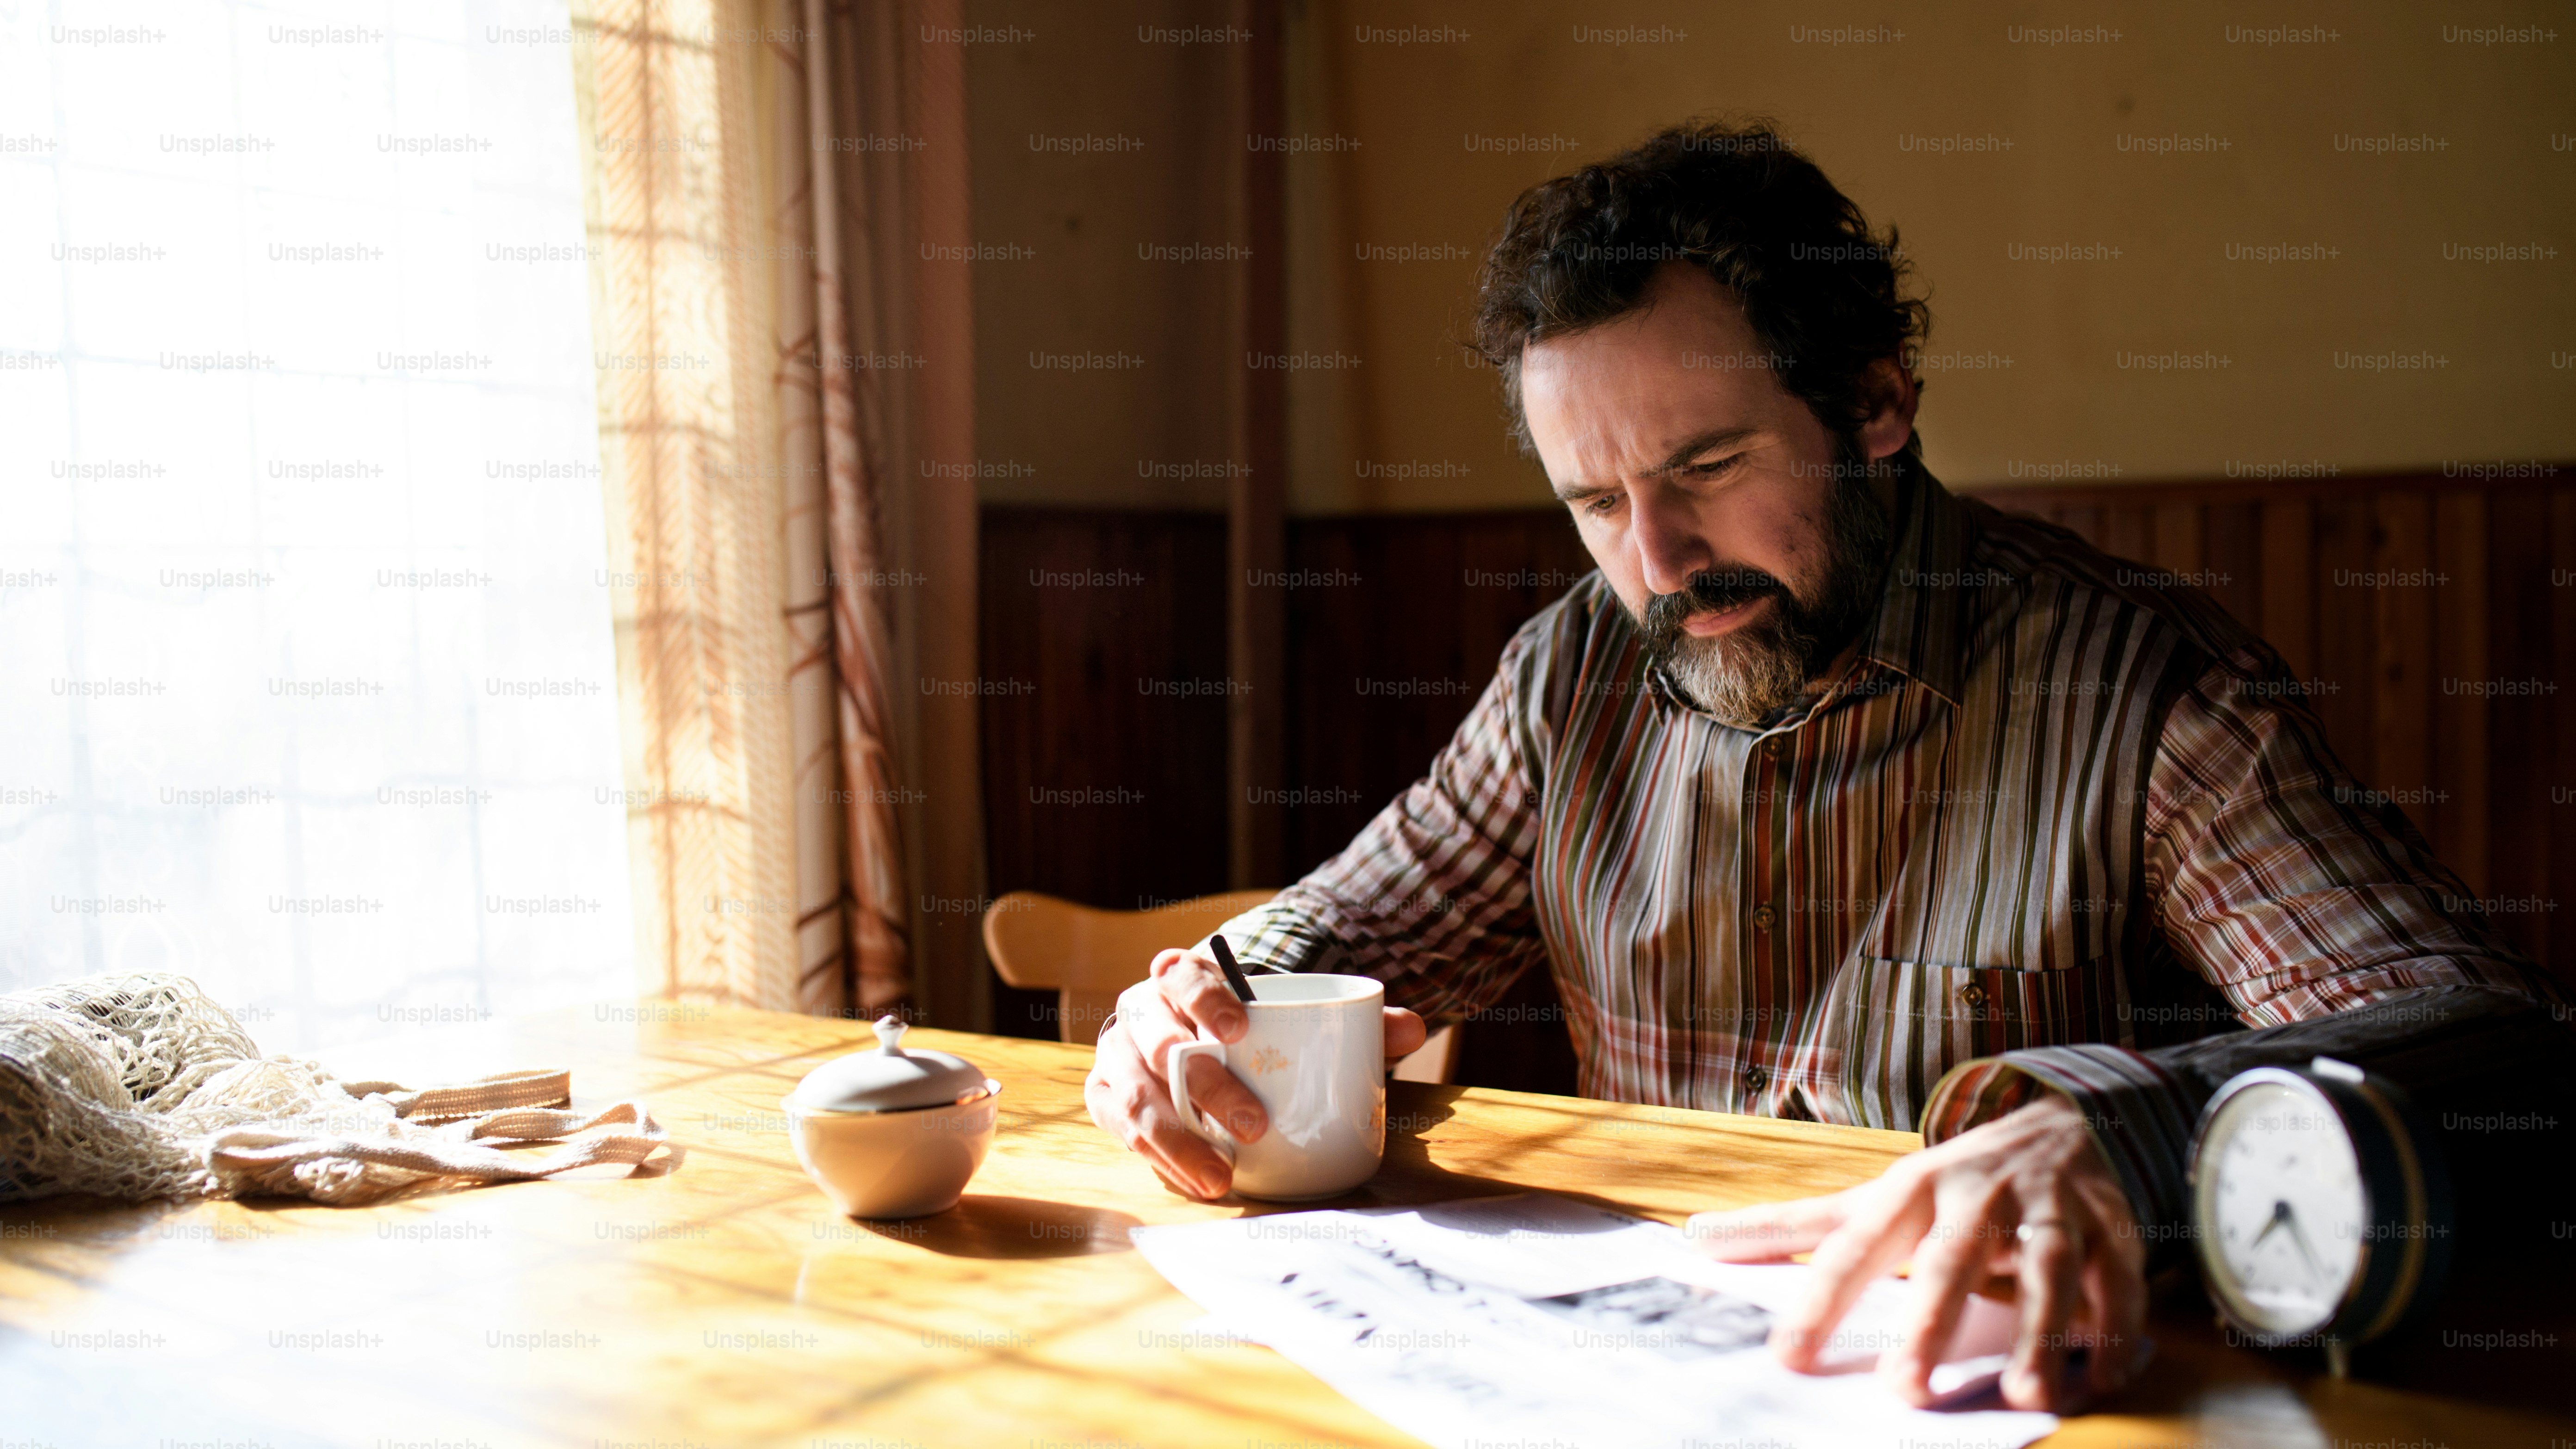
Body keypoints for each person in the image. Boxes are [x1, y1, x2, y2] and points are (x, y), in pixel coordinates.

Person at [1082, 118, 2557, 1411]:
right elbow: (1345, 935)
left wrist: (2129, 1135)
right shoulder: (1572, 673)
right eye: (1595, 501)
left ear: (1874, 403)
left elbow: (2501, 1049)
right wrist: (1197, 1002)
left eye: (1708, 469)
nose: (1652, 563)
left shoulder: (2142, 689)